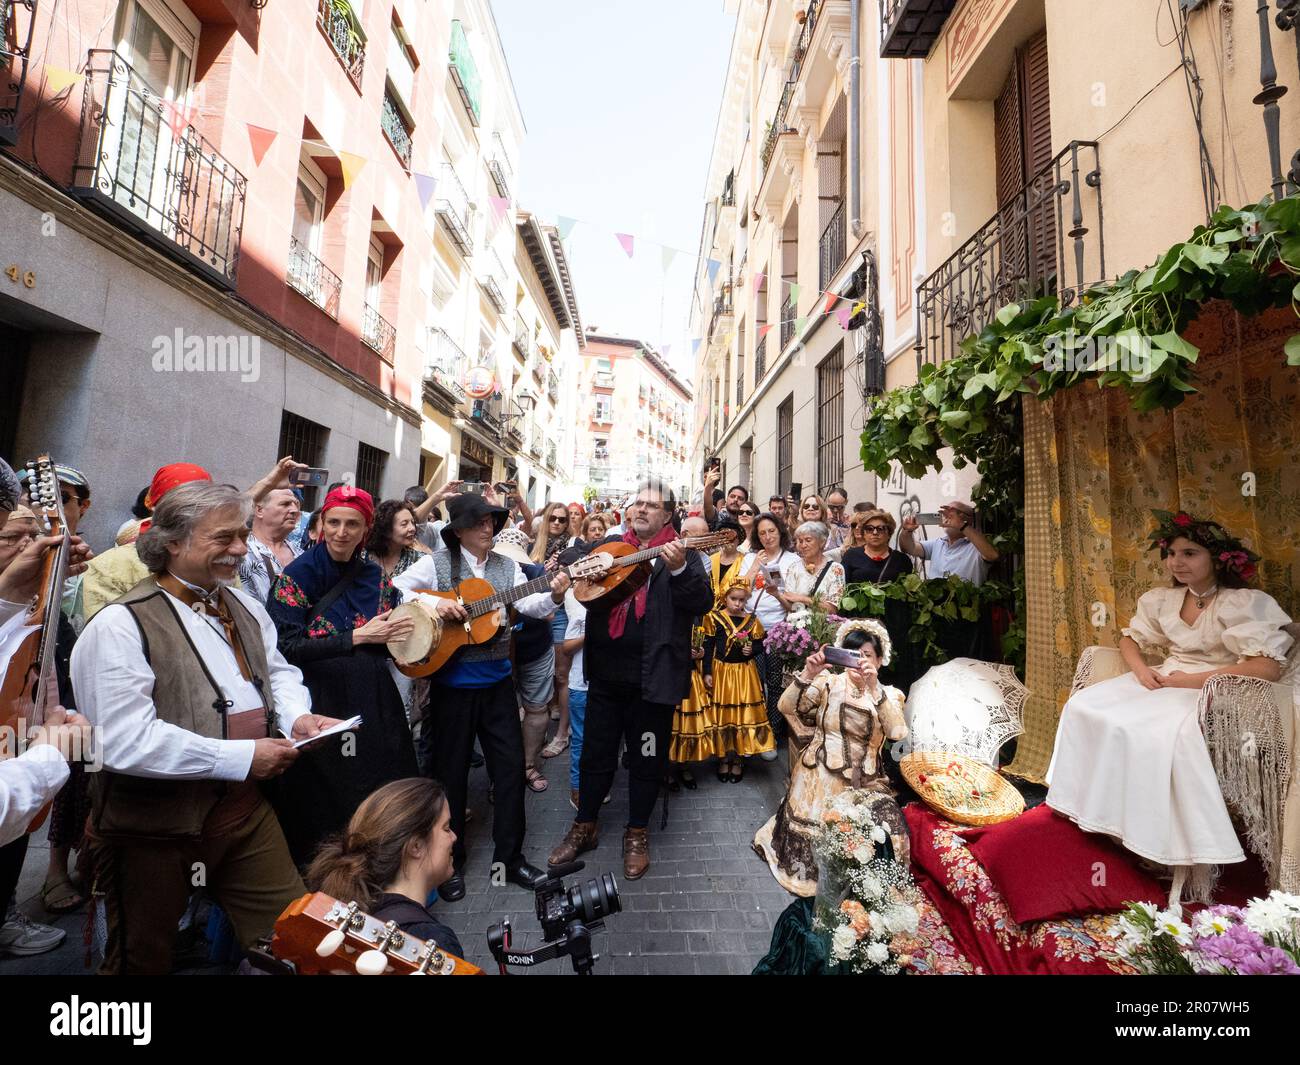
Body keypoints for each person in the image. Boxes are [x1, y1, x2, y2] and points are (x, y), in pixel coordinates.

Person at [71, 481, 339, 973]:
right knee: (141, 960)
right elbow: (121, 742)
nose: (240, 548)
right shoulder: (119, 625)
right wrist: (243, 758)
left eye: (241, 535)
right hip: (155, 829)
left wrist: (296, 714)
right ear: (172, 541)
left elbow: (277, 672)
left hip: (242, 813)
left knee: (298, 938)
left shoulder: (245, 607)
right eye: (223, 538)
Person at [1046, 512, 1294, 905]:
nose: (1177, 562)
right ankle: (1104, 818)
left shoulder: (1242, 603)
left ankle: (1167, 843)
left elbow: (1267, 667)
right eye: (1171, 553)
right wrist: (1142, 670)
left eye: (1190, 553)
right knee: (1087, 705)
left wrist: (1190, 681)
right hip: (1166, 676)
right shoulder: (1163, 599)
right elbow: (1130, 639)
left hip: (1216, 687)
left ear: (1218, 559)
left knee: (1159, 732)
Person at [393, 490, 567, 900]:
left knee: (509, 772)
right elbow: (396, 589)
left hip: (497, 686)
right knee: (450, 776)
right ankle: (448, 864)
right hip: (452, 688)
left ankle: (511, 858)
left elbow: (535, 604)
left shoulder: (509, 567)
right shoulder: (435, 564)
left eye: (491, 521)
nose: (488, 527)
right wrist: (434, 607)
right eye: (479, 522)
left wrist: (558, 592)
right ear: (459, 530)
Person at [548, 479, 712, 880]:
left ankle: (636, 832)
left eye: (651, 505)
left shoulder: (684, 554)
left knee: (646, 757)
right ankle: (584, 826)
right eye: (636, 502)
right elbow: (576, 569)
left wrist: (675, 571)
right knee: (595, 755)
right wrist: (576, 574)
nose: (640, 509)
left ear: (668, 514)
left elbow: (701, 603)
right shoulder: (611, 547)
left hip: (653, 681)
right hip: (606, 674)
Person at [267, 486, 419, 866]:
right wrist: (356, 636)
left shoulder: (375, 578)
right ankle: (330, 881)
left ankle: (383, 872)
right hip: (319, 700)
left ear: (366, 530)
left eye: (352, 524)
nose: (341, 532)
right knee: (326, 799)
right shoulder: (296, 576)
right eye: (333, 522)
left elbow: (389, 638)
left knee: (380, 787)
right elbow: (284, 647)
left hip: (373, 698)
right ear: (320, 525)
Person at [753, 619, 909, 896]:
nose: (860, 663)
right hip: (819, 775)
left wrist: (874, 688)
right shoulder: (829, 683)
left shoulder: (890, 695)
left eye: (867, 656)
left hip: (865, 782)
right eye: (854, 655)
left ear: (881, 659)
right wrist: (808, 672)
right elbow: (785, 706)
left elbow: (897, 733)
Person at [306, 777, 463, 956]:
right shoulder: (433, 941)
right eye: (446, 828)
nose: (454, 837)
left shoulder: (358, 908)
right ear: (416, 846)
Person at [492, 527, 556, 794]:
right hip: (494, 655)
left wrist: (554, 596)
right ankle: (502, 774)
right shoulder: (484, 572)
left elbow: (547, 614)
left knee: (536, 708)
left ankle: (528, 764)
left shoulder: (536, 573)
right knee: (498, 716)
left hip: (533, 648)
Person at [699, 577, 773, 781]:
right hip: (722, 673)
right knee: (723, 716)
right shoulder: (715, 618)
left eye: (742, 600)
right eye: (733, 599)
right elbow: (708, 646)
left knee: (742, 715)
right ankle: (723, 758)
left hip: (744, 673)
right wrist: (707, 672)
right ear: (725, 597)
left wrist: (752, 650)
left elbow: (760, 644)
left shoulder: (752, 621)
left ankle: (739, 758)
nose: (738, 604)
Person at [840, 509, 918, 689]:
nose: (875, 533)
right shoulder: (852, 556)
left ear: (889, 532)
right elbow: (844, 589)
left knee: (890, 671)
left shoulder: (901, 560)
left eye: (881, 529)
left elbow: (908, 595)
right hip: (860, 625)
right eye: (869, 528)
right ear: (863, 532)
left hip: (892, 626)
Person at [746, 513, 800, 758]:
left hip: (778, 630)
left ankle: (771, 733)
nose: (767, 537)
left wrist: (777, 593)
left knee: (776, 682)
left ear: (780, 532)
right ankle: (753, 732)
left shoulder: (792, 560)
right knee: (753, 683)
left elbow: (793, 604)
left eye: (771, 531)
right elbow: (738, 591)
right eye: (762, 533)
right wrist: (755, 567)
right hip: (751, 629)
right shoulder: (749, 557)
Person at [897, 499, 998, 585]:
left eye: (953, 513)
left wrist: (961, 526)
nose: (947, 517)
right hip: (934, 606)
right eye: (945, 513)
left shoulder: (976, 546)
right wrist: (907, 531)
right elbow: (908, 548)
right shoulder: (938, 543)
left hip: (965, 606)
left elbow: (992, 555)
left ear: (968, 520)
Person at [238, 487, 303, 605]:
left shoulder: (302, 554)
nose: (294, 510)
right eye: (285, 504)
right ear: (259, 510)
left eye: (296, 504)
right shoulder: (239, 552)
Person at [776, 521, 845, 613]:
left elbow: (832, 610)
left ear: (821, 542)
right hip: (797, 624)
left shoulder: (836, 569)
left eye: (808, 540)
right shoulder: (794, 567)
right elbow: (791, 607)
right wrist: (776, 594)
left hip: (824, 625)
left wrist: (802, 599)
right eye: (800, 541)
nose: (803, 545)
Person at [561, 589, 589, 811]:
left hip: (606, 684)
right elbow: (567, 647)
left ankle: (597, 784)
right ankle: (578, 788)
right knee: (581, 739)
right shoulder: (580, 609)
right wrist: (590, 634)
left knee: (601, 740)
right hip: (580, 684)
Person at [368, 499, 424, 581]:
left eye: (413, 522)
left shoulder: (419, 561)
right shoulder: (363, 557)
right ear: (386, 529)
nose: (412, 528)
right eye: (404, 524)